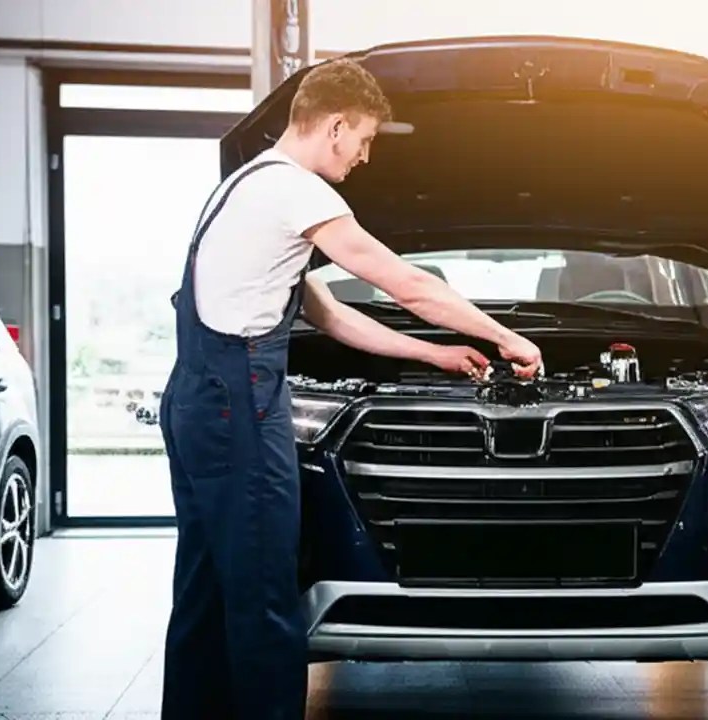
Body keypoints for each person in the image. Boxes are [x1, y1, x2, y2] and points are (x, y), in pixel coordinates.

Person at [157, 59, 543, 719]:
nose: (365, 156)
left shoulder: (244, 188)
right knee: (266, 601)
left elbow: (332, 316)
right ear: (335, 126)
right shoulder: (297, 191)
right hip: (240, 407)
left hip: (196, 400)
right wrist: (506, 338)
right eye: (363, 139)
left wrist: (437, 355)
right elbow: (408, 284)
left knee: (206, 594)